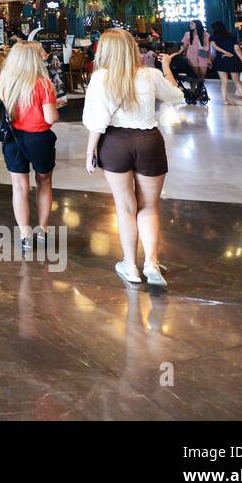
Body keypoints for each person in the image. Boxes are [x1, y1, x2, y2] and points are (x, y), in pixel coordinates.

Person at [83, 28, 183, 288]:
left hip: (114, 143)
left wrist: (90, 150)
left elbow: (97, 120)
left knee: (125, 207)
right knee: (149, 206)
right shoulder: (150, 74)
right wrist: (166, 66)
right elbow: (176, 96)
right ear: (131, 48)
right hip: (149, 142)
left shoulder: (100, 78)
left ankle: (130, 266)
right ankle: (151, 262)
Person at [0, 42, 58, 251]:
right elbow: (50, 117)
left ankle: (25, 236)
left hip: (12, 139)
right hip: (39, 139)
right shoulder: (43, 84)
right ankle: (42, 231)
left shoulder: (2, 82)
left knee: (19, 187)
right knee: (44, 182)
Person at [210, 20, 242, 105]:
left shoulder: (213, 37)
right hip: (232, 59)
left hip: (220, 59)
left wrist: (224, 52)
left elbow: (214, 47)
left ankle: (225, 100)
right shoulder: (232, 36)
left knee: (224, 82)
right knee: (237, 81)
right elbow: (237, 49)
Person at [179, 19, 211, 83]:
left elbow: (209, 48)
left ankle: (200, 85)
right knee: (195, 74)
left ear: (197, 25)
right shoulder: (188, 34)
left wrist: (209, 58)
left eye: (192, 24)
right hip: (191, 54)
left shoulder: (206, 34)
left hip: (203, 53)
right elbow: (184, 46)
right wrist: (179, 52)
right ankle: (197, 86)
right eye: (190, 24)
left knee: (203, 74)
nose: (190, 25)